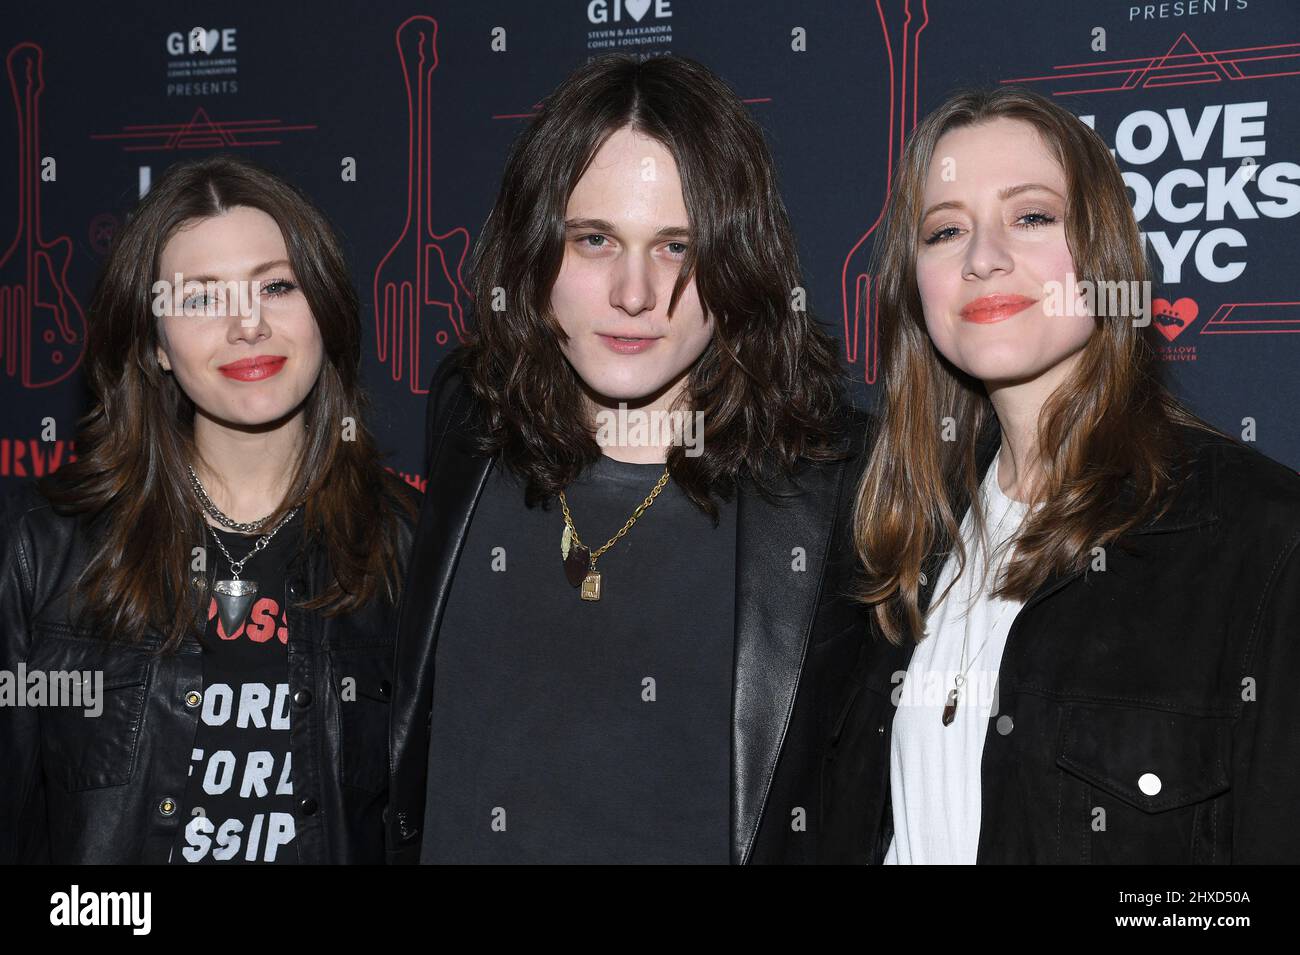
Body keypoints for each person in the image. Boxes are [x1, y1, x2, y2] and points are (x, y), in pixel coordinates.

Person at [387, 53, 901, 864]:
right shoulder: (469, 417)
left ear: (739, 262)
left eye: (677, 247)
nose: (635, 292)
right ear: (535, 250)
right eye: (594, 240)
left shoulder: (838, 479)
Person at [843, 85, 1300, 863]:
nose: (984, 257)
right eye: (946, 229)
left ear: (1106, 250)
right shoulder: (903, 531)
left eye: (1031, 216)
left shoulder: (1259, 538)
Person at [0, 155, 421, 864]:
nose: (246, 325)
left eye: (277, 286)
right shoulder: (42, 544)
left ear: (325, 309)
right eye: (199, 299)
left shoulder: (410, 545)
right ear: (155, 346)